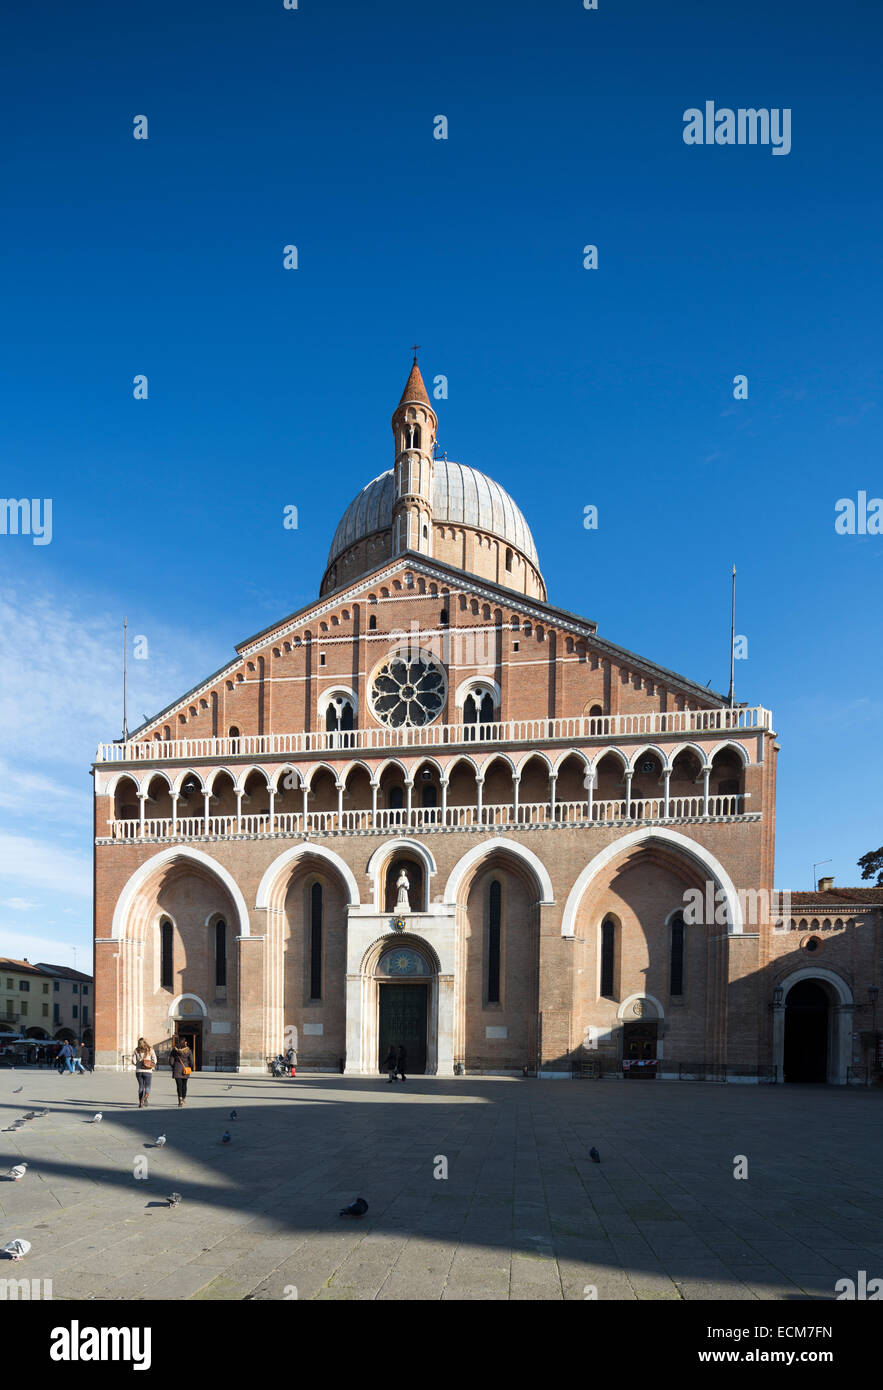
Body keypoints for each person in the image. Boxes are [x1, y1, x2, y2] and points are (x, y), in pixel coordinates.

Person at [169, 1036, 194, 1107]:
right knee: (184, 1085)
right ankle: (183, 1099)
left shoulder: (174, 1050)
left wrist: (174, 1066)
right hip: (185, 1068)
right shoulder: (188, 1050)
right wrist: (190, 1066)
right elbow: (192, 1061)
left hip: (177, 1069)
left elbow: (171, 1061)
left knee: (178, 1085)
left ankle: (179, 1099)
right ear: (185, 1042)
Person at [132, 1037, 157, 1107]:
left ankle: (140, 1102)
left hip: (139, 1071)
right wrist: (151, 1064)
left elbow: (133, 1061)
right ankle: (145, 1097)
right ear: (145, 1042)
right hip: (148, 1071)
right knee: (147, 1086)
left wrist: (137, 1064)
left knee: (141, 1086)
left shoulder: (136, 1050)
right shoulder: (150, 1049)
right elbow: (155, 1060)